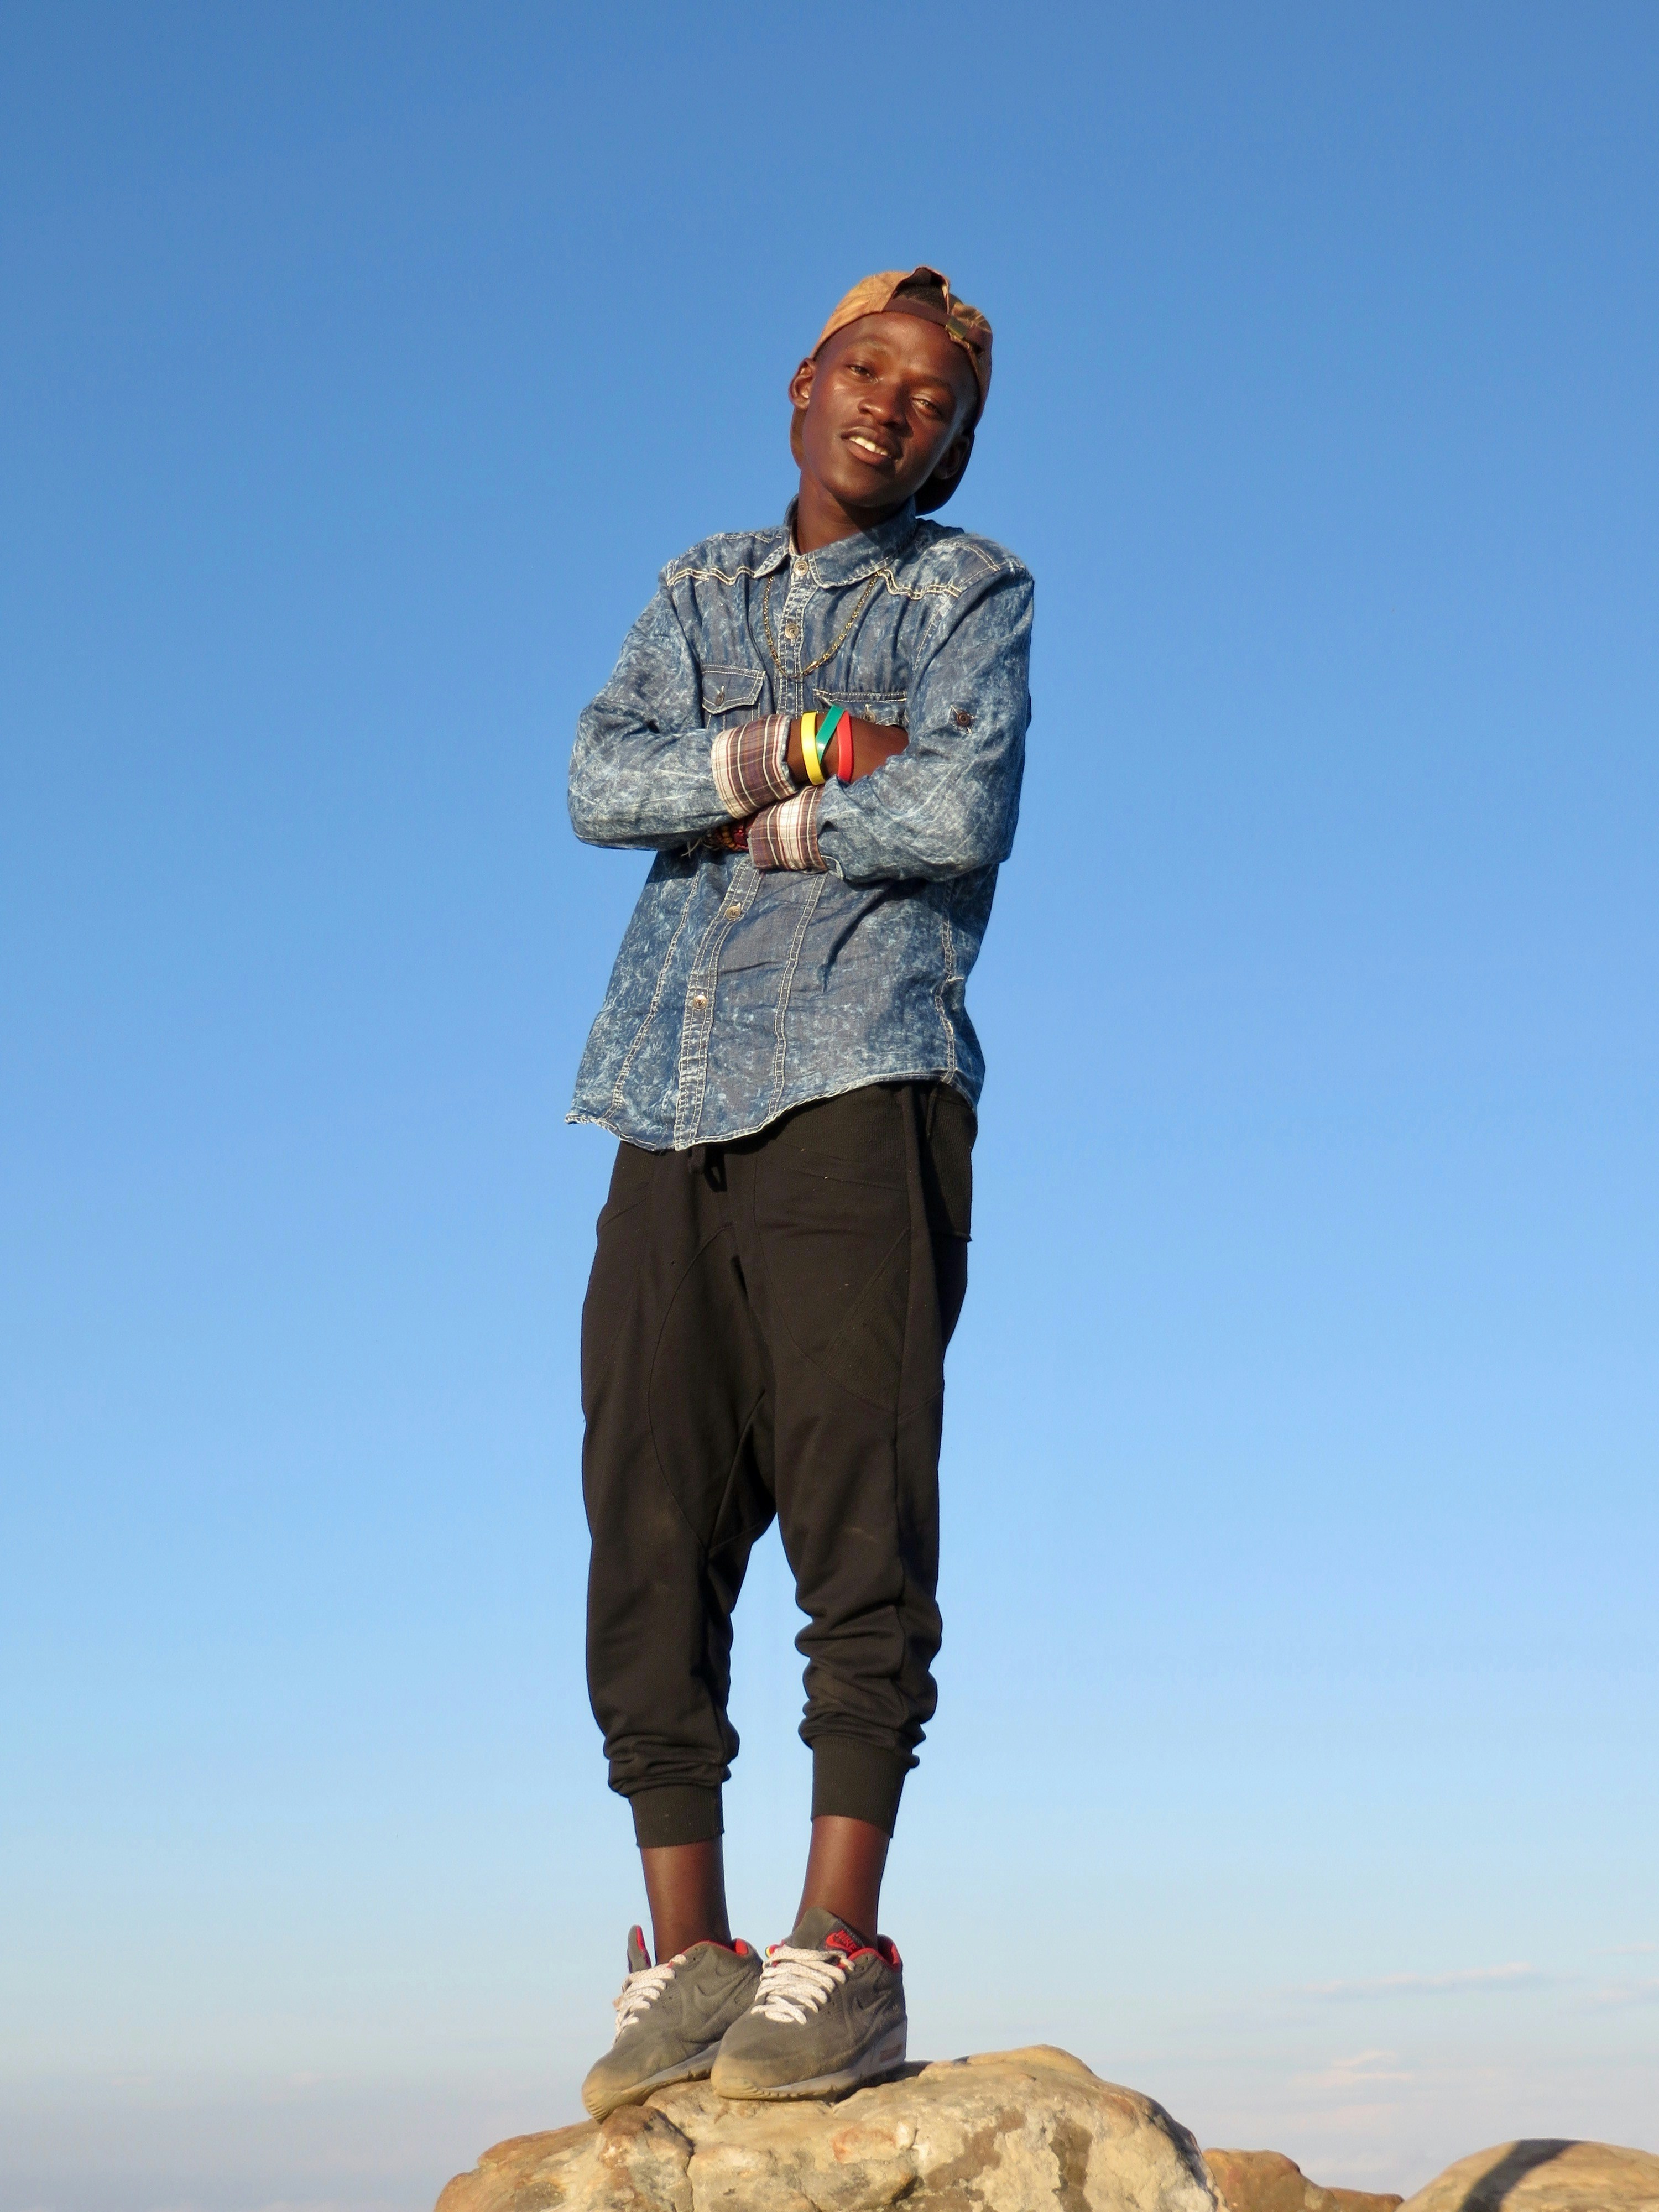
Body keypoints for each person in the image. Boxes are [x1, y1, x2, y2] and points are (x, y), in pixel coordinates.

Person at [566, 266, 1032, 2119]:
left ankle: (840, 1952)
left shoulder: (970, 590)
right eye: (867, 371)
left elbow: (962, 811)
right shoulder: (699, 587)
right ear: (802, 384)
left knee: (857, 1517)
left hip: (863, 1078)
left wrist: (726, 797)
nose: (893, 410)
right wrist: (810, 753)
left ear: (956, 436)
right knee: (647, 1528)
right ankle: (689, 1955)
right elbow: (601, 781)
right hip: (662, 1102)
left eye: (931, 397)